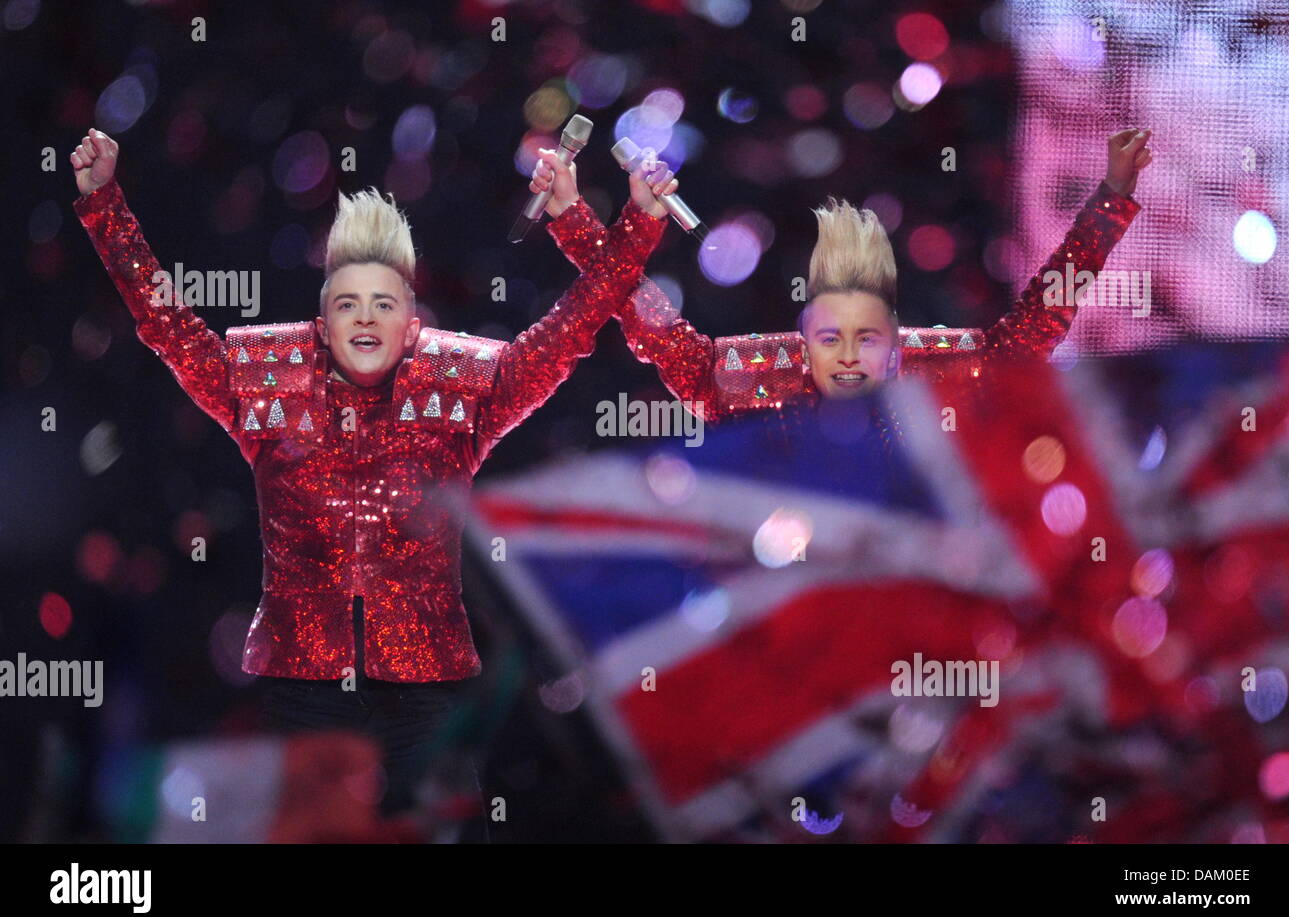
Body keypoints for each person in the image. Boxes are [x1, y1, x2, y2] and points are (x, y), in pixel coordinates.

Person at [71, 127, 669, 831]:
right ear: (320, 325)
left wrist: (639, 226)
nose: (364, 318)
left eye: (383, 304)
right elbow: (165, 323)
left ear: (412, 326)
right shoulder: (264, 397)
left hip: (429, 698)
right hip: (301, 693)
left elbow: (571, 329)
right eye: (347, 304)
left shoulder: (464, 400)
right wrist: (102, 205)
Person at [531, 129, 1152, 421]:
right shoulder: (761, 381)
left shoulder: (942, 380)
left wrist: (1112, 198)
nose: (850, 358)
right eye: (831, 340)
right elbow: (649, 322)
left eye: (868, 339)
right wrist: (577, 218)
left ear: (898, 341)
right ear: (805, 340)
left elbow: (1035, 325)